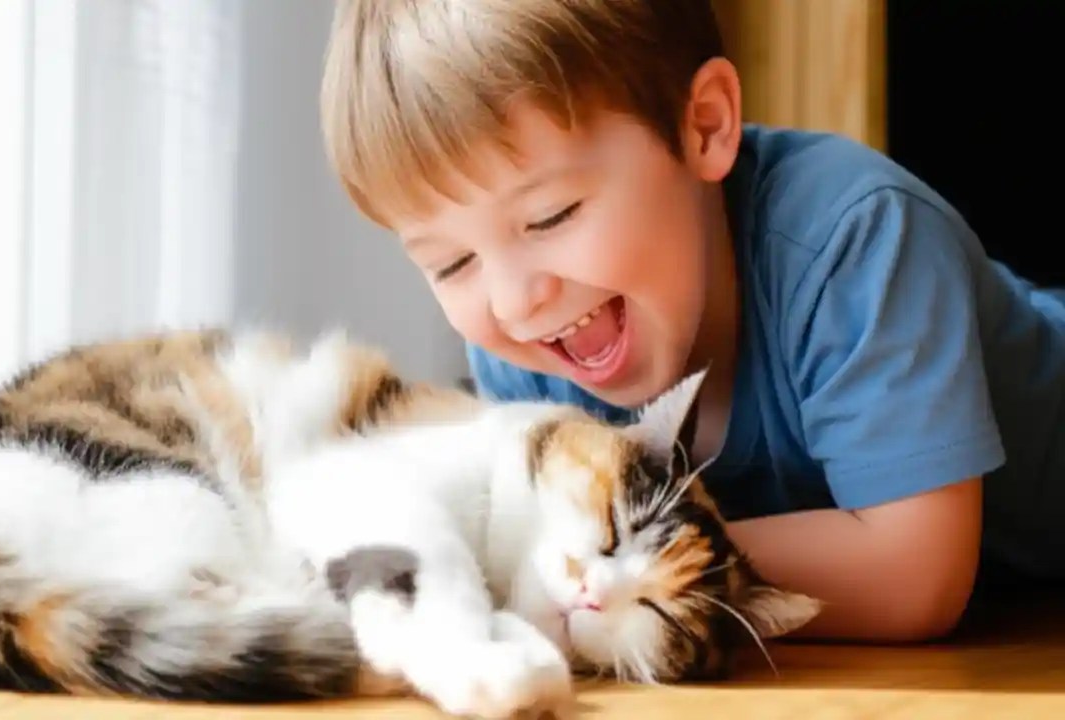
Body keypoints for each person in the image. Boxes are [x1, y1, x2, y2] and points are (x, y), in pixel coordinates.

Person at [317, 0, 1065, 642]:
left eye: (551, 216)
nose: (514, 303)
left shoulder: (853, 239)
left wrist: (632, 572)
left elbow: (913, 575)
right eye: (452, 265)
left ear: (704, 126)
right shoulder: (528, 351)